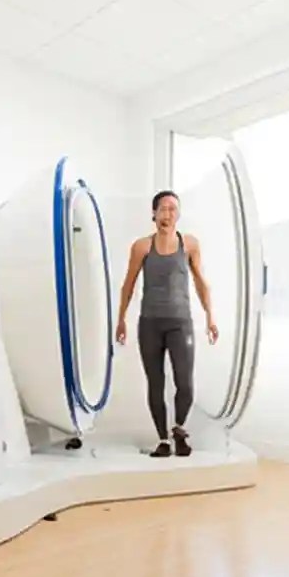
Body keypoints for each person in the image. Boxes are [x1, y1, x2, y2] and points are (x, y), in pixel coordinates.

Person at [115, 190, 218, 458]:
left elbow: (200, 283)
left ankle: (179, 430)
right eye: (162, 208)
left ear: (178, 214)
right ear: (153, 213)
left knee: (185, 382)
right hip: (149, 324)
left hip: (180, 323)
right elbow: (128, 285)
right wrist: (121, 319)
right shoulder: (141, 247)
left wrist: (210, 317)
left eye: (173, 209)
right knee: (155, 383)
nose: (167, 214)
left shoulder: (190, 245)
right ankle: (162, 439)